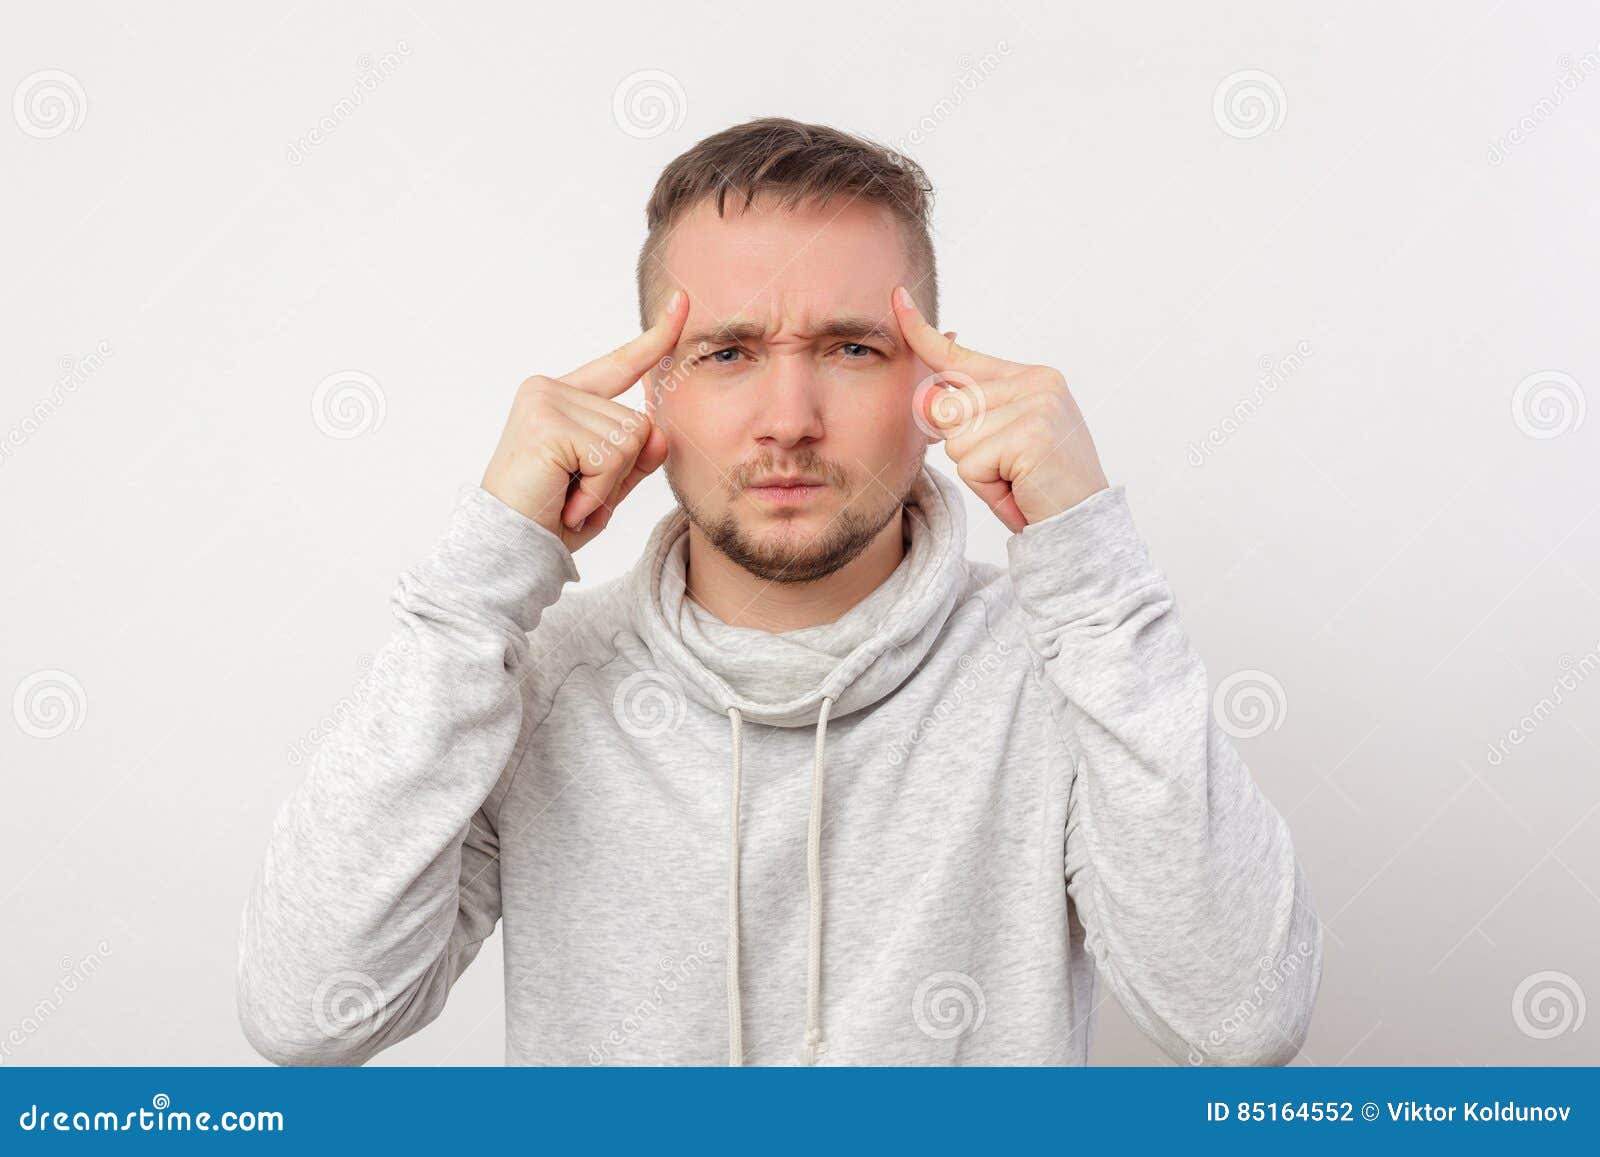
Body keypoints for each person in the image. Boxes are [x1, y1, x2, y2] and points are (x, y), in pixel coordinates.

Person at [236, 116, 1322, 1067]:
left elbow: (1241, 1021)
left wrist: (1090, 563)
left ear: (936, 388)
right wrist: (484, 574)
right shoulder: (531, 678)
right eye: (727, 351)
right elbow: (304, 1015)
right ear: (650, 390)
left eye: (852, 347)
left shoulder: (1063, 665)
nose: (789, 416)